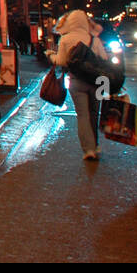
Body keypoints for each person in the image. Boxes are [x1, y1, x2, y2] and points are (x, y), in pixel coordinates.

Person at [48, 9, 107, 160]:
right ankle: (96, 145)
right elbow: (104, 59)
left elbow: (61, 61)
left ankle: (89, 150)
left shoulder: (66, 39)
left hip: (76, 81)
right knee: (94, 113)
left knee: (82, 115)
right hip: (96, 82)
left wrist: (50, 55)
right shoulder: (94, 39)